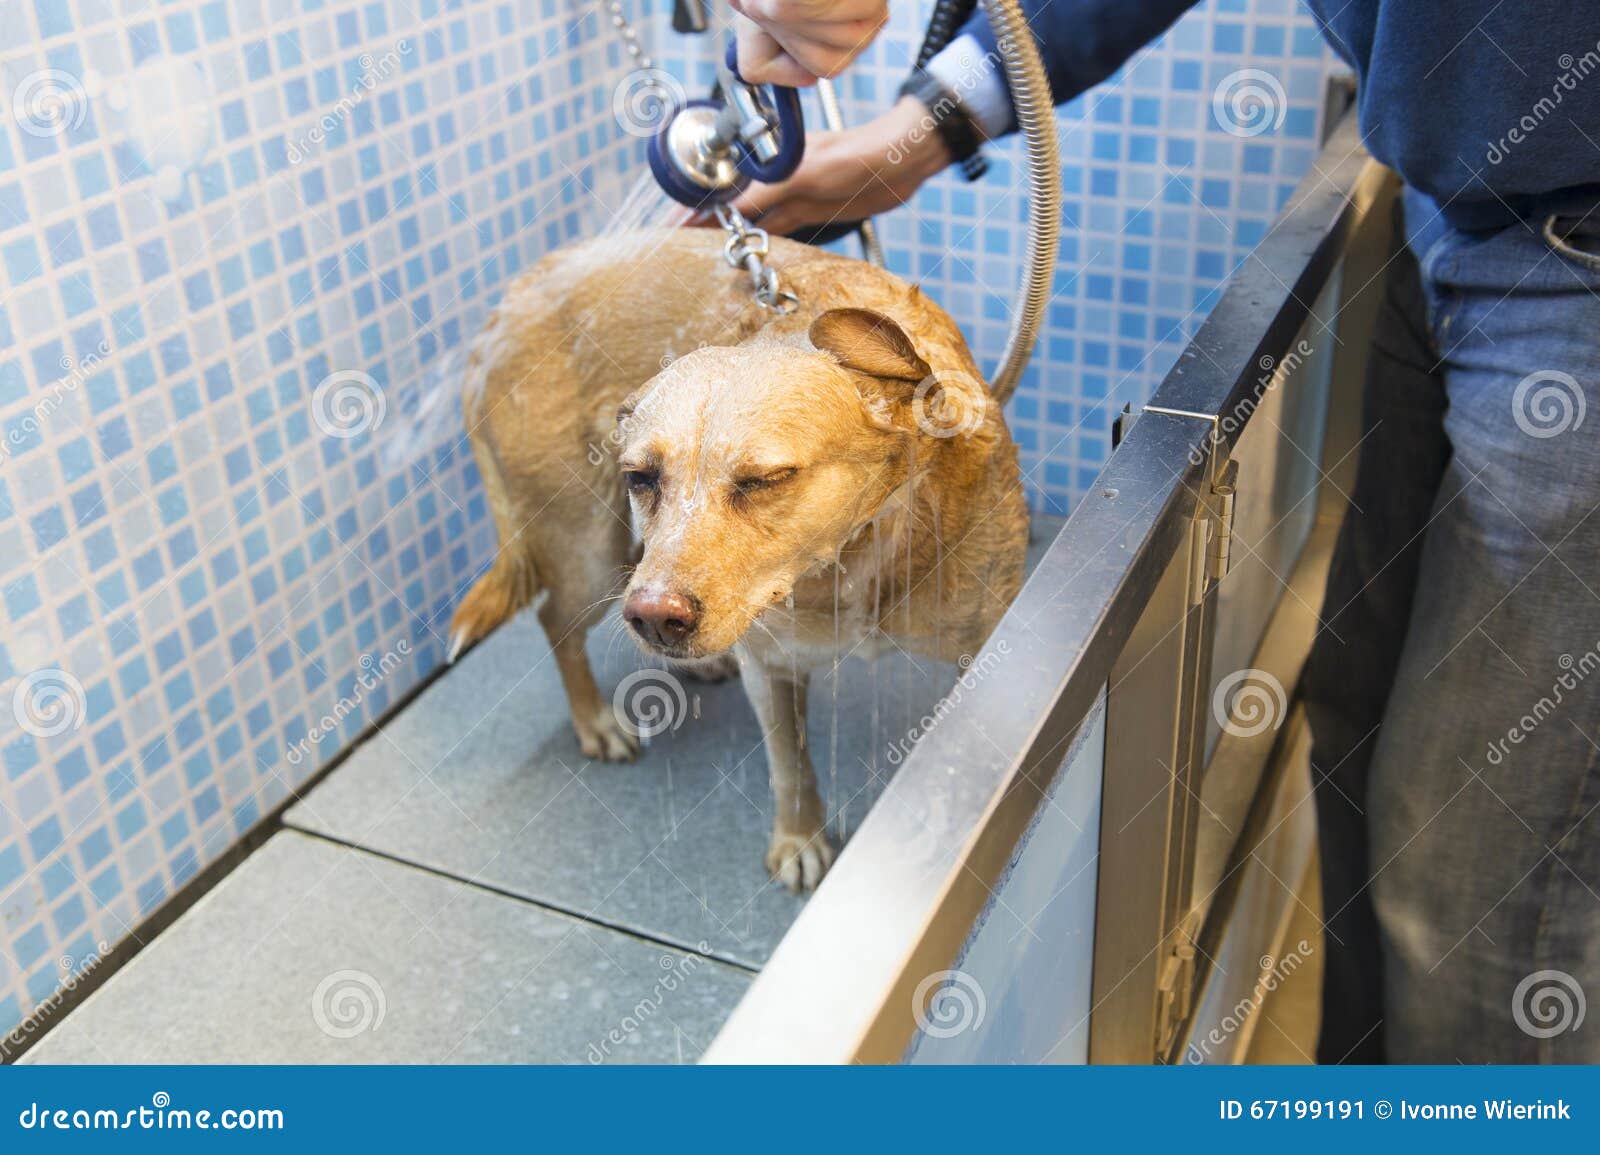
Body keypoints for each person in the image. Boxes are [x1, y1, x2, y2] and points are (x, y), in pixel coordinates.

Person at [730, 0, 1600, 1064]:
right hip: (1453, 193)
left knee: (1474, 868)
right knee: (1352, 705)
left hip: (1571, 248)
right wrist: (924, 130)